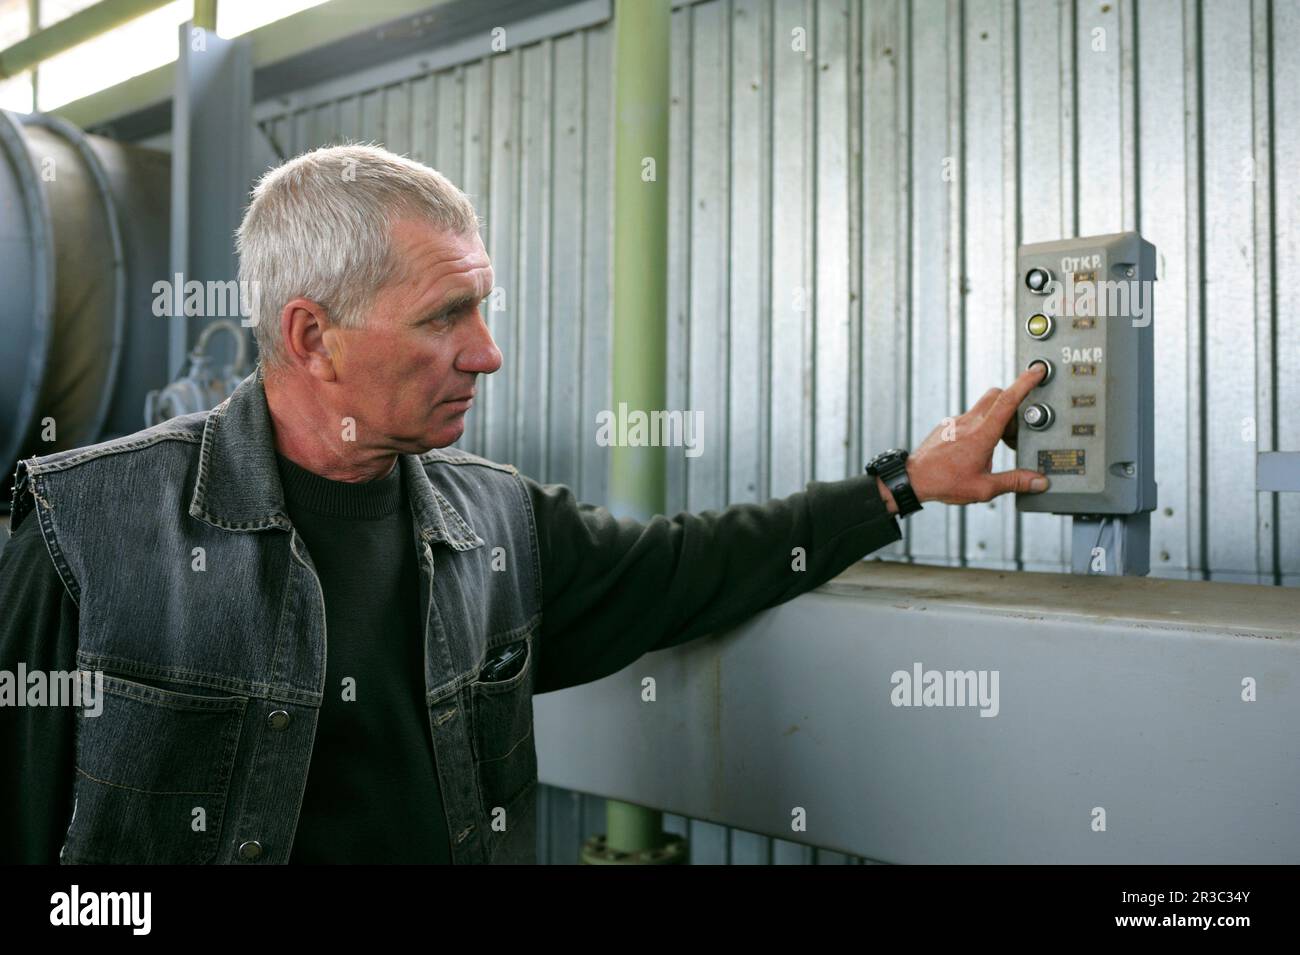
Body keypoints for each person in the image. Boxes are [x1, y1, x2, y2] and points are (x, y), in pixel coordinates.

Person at [0, 144, 1048, 865]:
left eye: (483, 305)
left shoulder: (496, 529)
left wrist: (901, 483)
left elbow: (693, 566)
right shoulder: (84, 532)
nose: (486, 353)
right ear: (312, 335)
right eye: (445, 315)